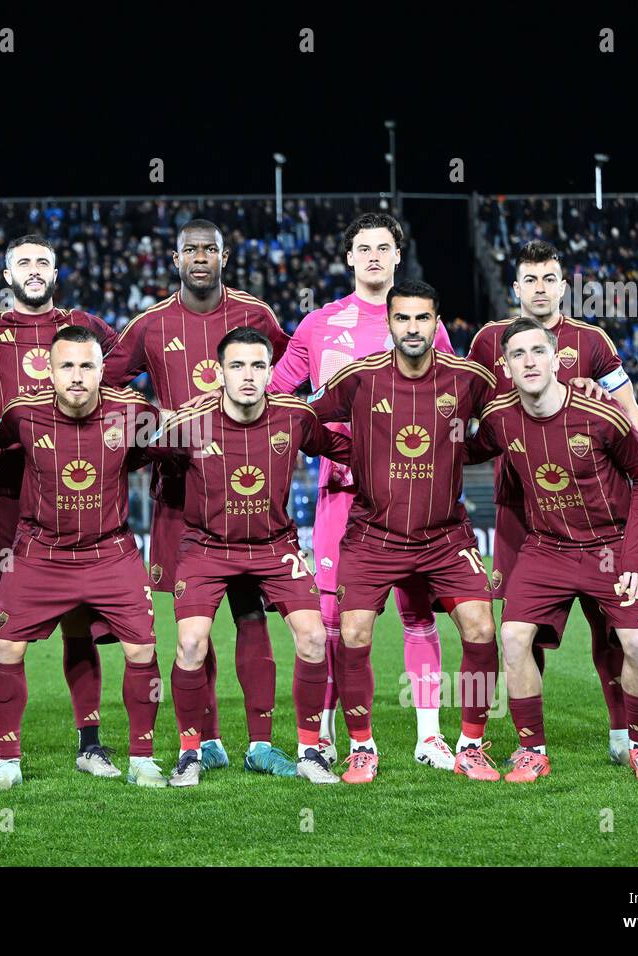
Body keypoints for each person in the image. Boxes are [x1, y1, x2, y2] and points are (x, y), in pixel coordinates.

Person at [466, 239, 638, 766]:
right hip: (524, 512)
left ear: (563, 285)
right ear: (516, 289)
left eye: (549, 279)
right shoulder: (491, 341)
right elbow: (461, 409)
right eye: (530, 281)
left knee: (616, 632)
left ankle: (624, 735)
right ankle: (518, 742)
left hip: (600, 511)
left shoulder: (592, 342)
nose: (540, 289)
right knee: (517, 630)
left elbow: (630, 414)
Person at [269, 212, 457, 769]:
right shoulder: (318, 325)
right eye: (363, 248)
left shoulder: (422, 322)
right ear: (349, 258)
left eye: (384, 247)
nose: (374, 256)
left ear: (398, 257)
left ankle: (429, 738)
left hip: (413, 494)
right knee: (335, 619)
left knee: (417, 612)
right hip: (342, 492)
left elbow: (449, 401)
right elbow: (280, 395)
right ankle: (326, 735)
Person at [109, 218, 293, 776]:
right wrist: (149, 422)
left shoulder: (255, 315)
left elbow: (289, 372)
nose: (199, 258)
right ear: (174, 258)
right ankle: (206, 740)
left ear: (224, 255)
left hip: (251, 496)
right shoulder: (150, 324)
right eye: (189, 250)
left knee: (252, 613)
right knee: (197, 621)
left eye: (208, 250)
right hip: (179, 498)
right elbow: (110, 382)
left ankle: (260, 743)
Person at [308, 280, 501, 783]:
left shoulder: (468, 379)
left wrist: (466, 451)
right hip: (373, 534)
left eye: (422, 319)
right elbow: (307, 420)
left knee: (481, 629)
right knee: (352, 633)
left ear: (437, 324)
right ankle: (361, 745)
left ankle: (471, 743)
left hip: (444, 536)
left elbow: (509, 421)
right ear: (389, 323)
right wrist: (352, 452)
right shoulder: (359, 379)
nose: (412, 328)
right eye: (402, 319)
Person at [149, 328, 352, 786]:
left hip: (275, 546)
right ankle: (189, 753)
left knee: (314, 638)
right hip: (206, 547)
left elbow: (343, 448)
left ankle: (310, 751)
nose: (248, 376)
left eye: (259, 366)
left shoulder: (295, 417)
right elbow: (143, 456)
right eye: (237, 366)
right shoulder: (190, 423)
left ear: (270, 372)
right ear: (219, 372)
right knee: (190, 644)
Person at [0, 326, 167, 792]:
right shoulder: (22, 415)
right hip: (39, 553)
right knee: (6, 648)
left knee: (142, 649)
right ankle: (6, 759)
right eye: (67, 366)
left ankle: (142, 758)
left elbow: (154, 452)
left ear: (103, 370)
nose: (77, 376)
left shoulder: (134, 413)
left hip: (111, 552)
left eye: (87, 366)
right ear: (50, 370)